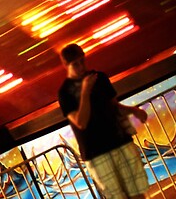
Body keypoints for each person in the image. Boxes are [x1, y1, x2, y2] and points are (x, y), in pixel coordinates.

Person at [57, 43, 149, 198]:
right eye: (75, 64)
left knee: (137, 192)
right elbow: (81, 122)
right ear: (66, 65)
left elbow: (113, 105)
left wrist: (133, 111)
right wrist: (85, 91)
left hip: (119, 140)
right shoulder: (65, 92)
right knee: (116, 196)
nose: (81, 67)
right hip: (96, 152)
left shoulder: (99, 77)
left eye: (82, 61)